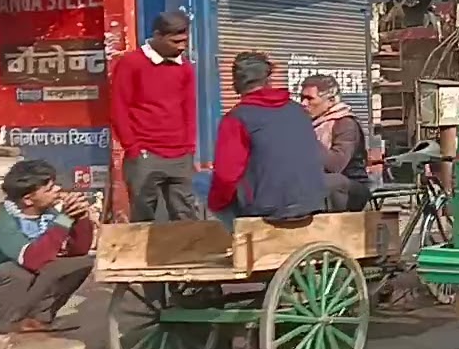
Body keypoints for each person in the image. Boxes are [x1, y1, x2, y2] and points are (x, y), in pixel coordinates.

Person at [0, 160, 95, 349]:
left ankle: (37, 319)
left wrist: (80, 218)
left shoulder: (47, 214)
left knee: (81, 263)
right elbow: (32, 260)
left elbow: (77, 251)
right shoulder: (2, 222)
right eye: (49, 188)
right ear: (28, 199)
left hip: (15, 285)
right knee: (19, 271)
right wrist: (64, 220)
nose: (57, 190)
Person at [200, 51, 327, 222]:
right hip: (312, 203)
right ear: (268, 79)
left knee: (201, 182)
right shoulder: (298, 110)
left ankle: (232, 235)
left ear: (236, 83)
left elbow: (226, 176)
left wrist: (216, 204)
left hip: (267, 209)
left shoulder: (237, 118)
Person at [110, 11, 200, 222]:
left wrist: (189, 148)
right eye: (175, 41)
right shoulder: (131, 63)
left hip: (180, 155)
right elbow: (119, 108)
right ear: (158, 36)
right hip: (145, 154)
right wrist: (133, 147)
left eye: (184, 41)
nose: (181, 46)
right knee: (144, 216)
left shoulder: (185, 67)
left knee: (185, 216)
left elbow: (189, 109)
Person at [299, 74, 371, 212]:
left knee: (331, 182)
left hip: (350, 189)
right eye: (302, 98)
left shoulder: (345, 123)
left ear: (331, 100)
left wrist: (306, 138)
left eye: (310, 99)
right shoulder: (310, 123)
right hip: (318, 183)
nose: (304, 103)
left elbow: (336, 165)